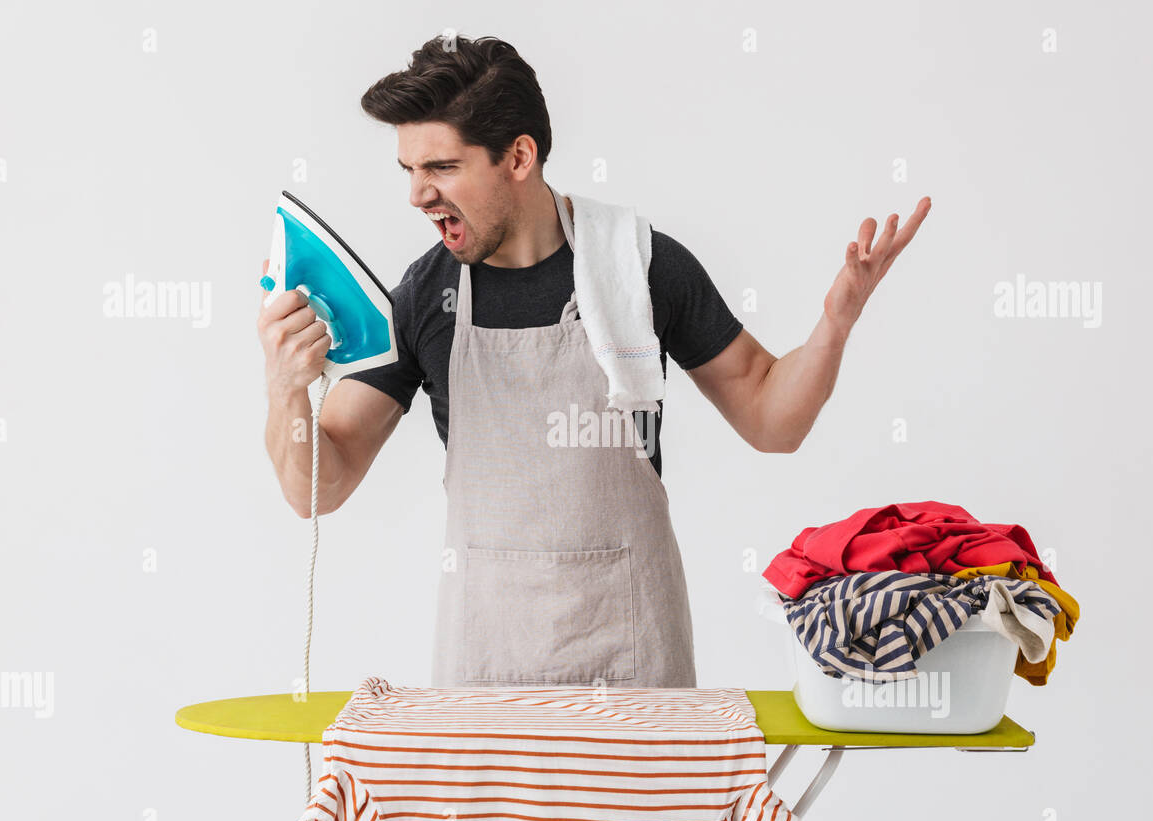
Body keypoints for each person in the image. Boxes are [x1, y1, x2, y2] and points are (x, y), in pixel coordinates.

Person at [257, 34, 929, 689]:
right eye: (409, 170)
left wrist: (836, 326)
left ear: (518, 157)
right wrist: (286, 389)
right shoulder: (422, 298)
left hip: (633, 662)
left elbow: (772, 421)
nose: (417, 195)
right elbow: (319, 486)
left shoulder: (640, 268)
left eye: (442, 168)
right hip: (486, 671)